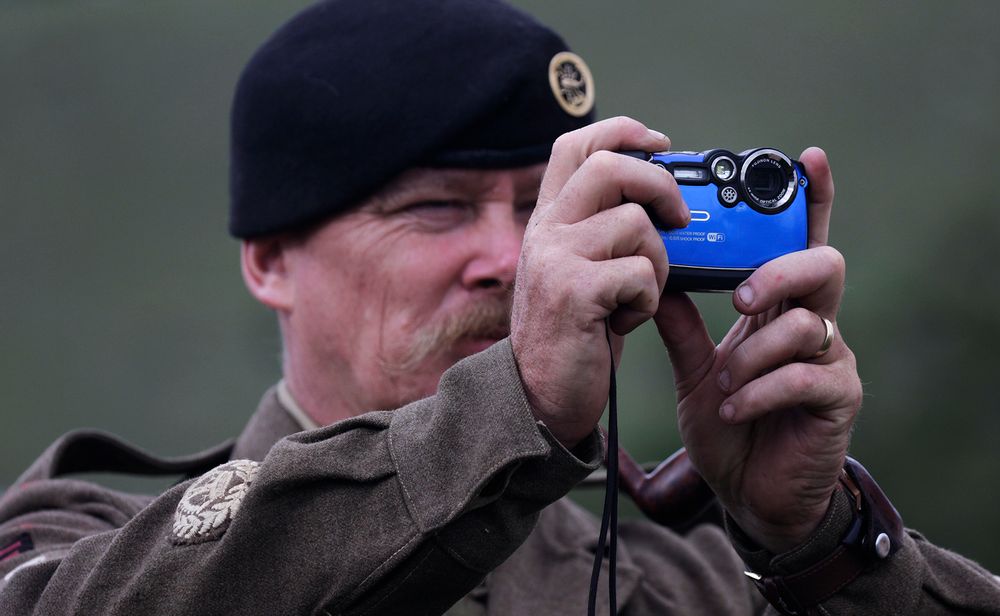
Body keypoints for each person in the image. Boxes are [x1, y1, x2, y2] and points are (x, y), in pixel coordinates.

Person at [1, 0, 998, 614]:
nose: (510, 259)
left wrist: (816, 548)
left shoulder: (678, 582)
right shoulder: (80, 537)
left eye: (540, 207)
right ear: (268, 260)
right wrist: (509, 407)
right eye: (433, 209)